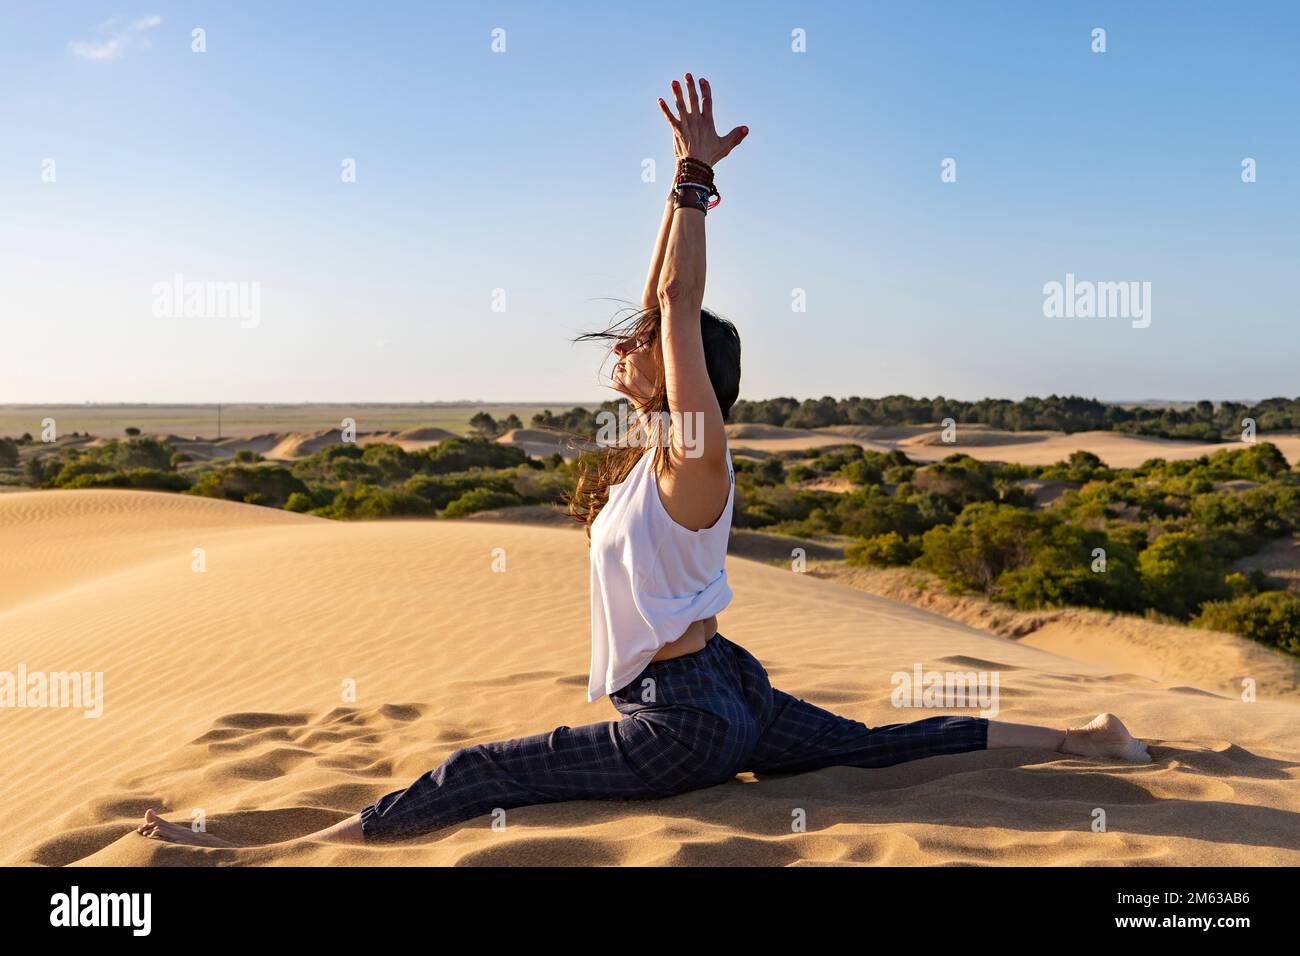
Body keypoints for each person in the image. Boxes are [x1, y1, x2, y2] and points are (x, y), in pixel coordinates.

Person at [137, 73, 1149, 850]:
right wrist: (675, 184)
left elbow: (671, 306)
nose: (626, 343)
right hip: (726, 689)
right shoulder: (652, 456)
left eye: (648, 344)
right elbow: (657, 293)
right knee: (877, 743)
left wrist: (699, 182)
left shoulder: (692, 458)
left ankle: (296, 849)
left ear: (681, 370)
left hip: (685, 720)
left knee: (476, 766)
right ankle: (1088, 734)